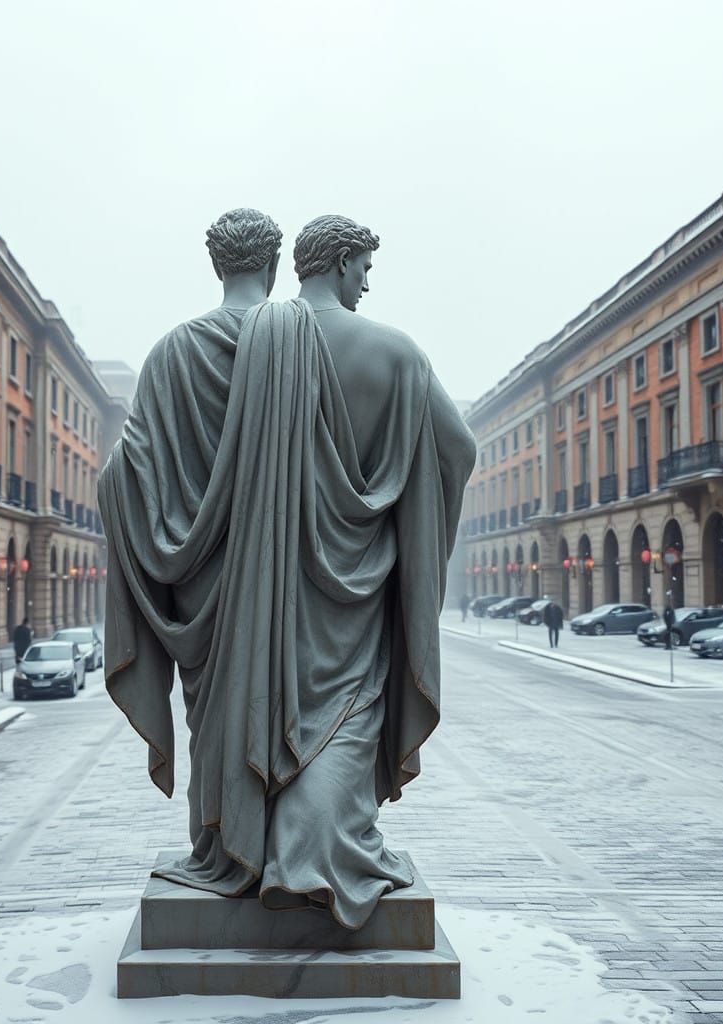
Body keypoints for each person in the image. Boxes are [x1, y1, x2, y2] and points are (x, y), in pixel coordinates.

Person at [99, 211, 475, 930]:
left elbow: (130, 472)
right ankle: (310, 847)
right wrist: (408, 531)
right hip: (344, 601)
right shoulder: (369, 349)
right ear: (280, 264)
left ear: (220, 264)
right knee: (338, 728)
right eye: (365, 267)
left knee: (229, 722)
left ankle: (233, 839)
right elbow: (457, 449)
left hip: (216, 602)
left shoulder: (179, 353)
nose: (368, 281)